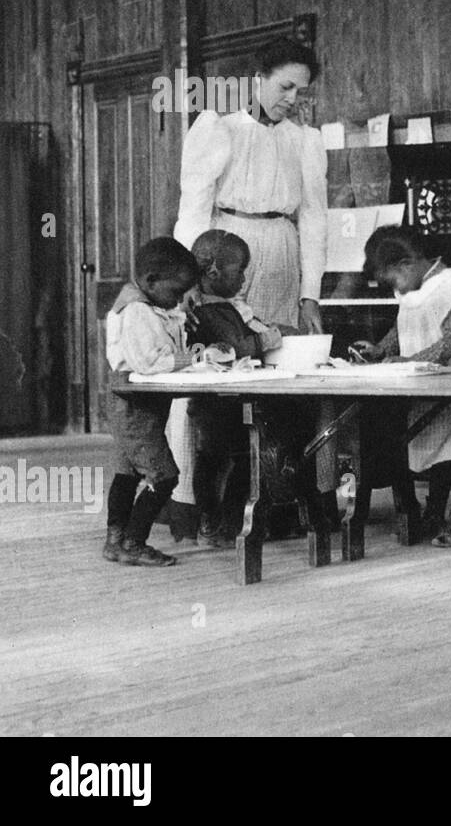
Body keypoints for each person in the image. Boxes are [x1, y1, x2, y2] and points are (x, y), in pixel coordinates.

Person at [174, 37, 327, 334]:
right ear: (259, 79)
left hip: (281, 254)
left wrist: (310, 295)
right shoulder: (221, 129)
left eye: (301, 90)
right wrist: (188, 279)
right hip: (226, 253)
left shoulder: (304, 140)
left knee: (276, 343)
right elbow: (193, 209)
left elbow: (314, 219)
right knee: (228, 340)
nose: (293, 99)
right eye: (286, 87)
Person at [352, 225, 451, 547]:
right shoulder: (413, 289)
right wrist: (381, 349)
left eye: (391, 279)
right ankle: (435, 512)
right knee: (437, 449)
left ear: (405, 266)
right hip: (425, 383)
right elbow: (404, 323)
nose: (392, 287)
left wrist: (410, 359)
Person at [182, 229, 286, 549]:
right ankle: (222, 523)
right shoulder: (210, 312)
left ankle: (213, 525)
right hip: (220, 405)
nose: (243, 278)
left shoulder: (215, 307)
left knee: (212, 462)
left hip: (215, 403)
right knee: (233, 460)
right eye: (239, 271)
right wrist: (265, 340)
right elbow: (236, 347)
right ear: (213, 272)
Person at [103, 238, 200, 567]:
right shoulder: (138, 311)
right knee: (165, 476)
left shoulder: (139, 304)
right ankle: (133, 541)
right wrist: (188, 360)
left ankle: (115, 541)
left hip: (128, 402)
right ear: (151, 281)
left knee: (126, 472)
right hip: (137, 405)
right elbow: (149, 361)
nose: (177, 300)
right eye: (175, 292)